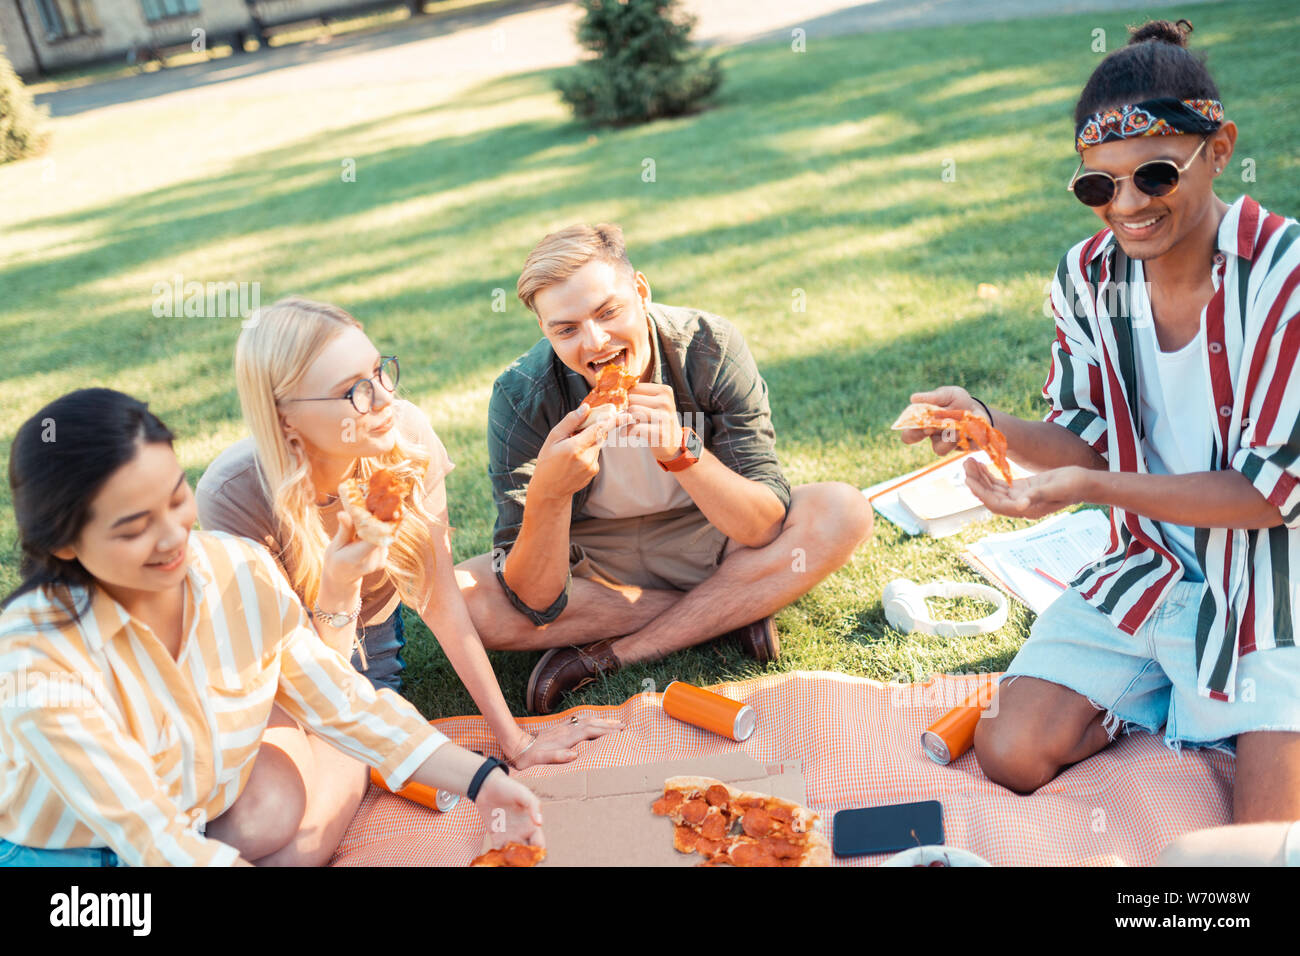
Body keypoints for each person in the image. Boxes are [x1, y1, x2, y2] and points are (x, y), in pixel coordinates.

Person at [901, 19, 1300, 824]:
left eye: (1154, 175)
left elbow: (1266, 497)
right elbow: (1083, 431)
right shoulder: (1086, 276)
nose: (1125, 205)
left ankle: (1204, 705)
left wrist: (1087, 485)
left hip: (1273, 583)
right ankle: (1160, 698)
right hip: (1146, 566)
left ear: (1218, 150)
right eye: (1097, 186)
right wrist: (988, 423)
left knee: (1267, 843)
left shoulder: (1283, 277)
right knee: (1010, 753)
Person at [0, 389, 542, 867]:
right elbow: (148, 835)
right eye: (135, 528)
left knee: (290, 799)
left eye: (175, 498)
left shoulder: (237, 568)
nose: (174, 540)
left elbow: (345, 703)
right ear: (63, 545)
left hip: (191, 823)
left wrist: (482, 781)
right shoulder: (34, 656)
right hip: (66, 855)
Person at [196, 297, 618, 860]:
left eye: (379, 371)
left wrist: (514, 742)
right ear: (284, 416)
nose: (385, 399)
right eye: (354, 390)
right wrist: (339, 585)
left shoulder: (406, 438)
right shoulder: (235, 495)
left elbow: (441, 600)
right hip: (276, 671)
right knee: (254, 825)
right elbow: (300, 677)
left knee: (301, 843)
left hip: (366, 655)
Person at [455, 223, 874, 714]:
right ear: (544, 331)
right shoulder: (521, 396)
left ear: (641, 291)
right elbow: (534, 596)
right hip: (590, 558)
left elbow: (762, 528)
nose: (594, 343)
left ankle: (614, 654)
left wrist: (681, 449)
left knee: (844, 511)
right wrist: (549, 494)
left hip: (707, 538)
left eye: (608, 312)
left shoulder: (710, 349)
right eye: (565, 329)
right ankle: (732, 612)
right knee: (465, 600)